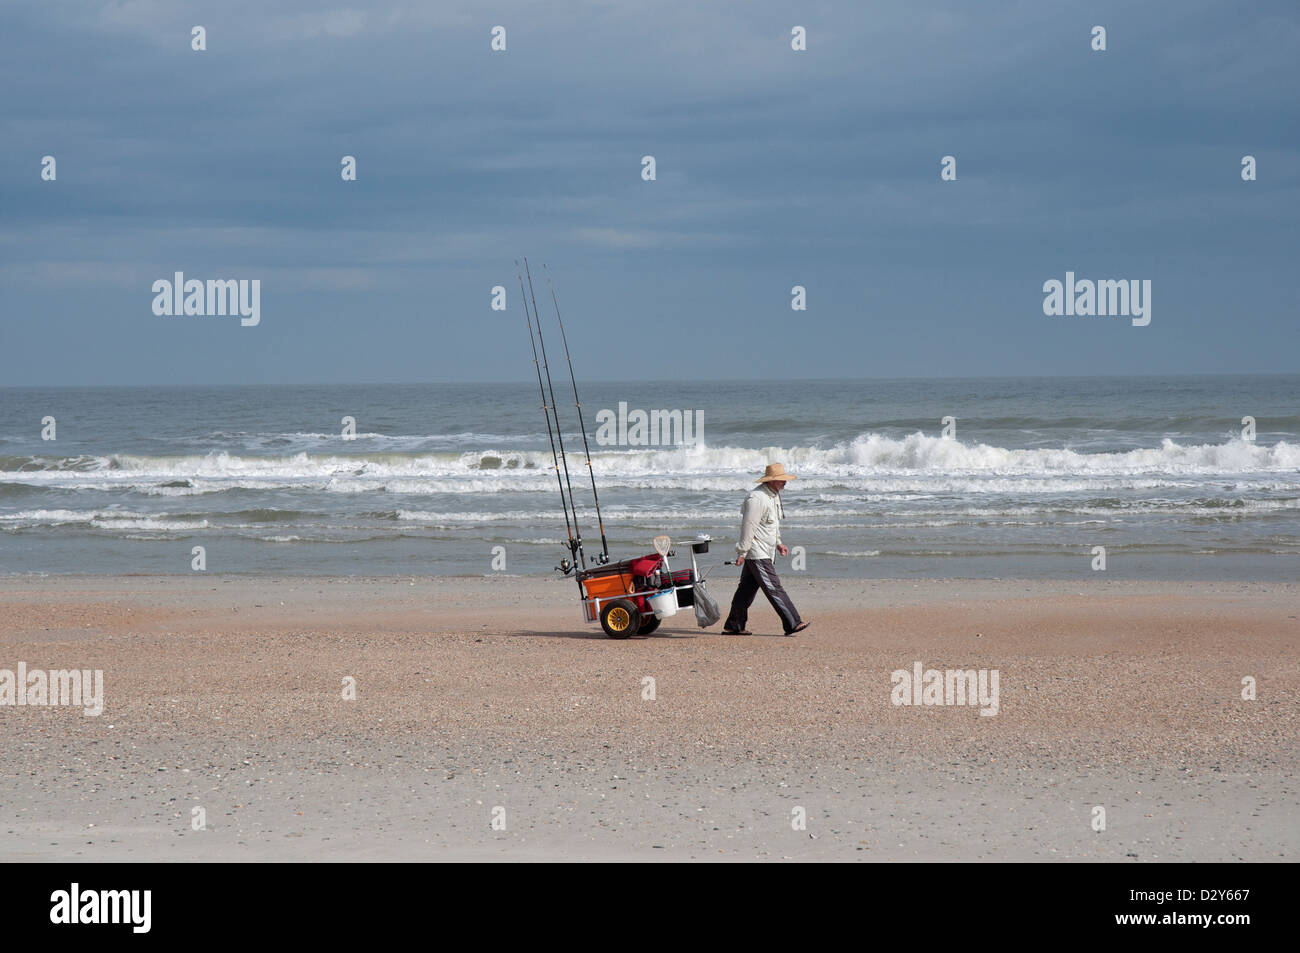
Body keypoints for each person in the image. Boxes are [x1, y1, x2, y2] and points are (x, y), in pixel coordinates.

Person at [722, 463, 810, 636]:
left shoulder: (773, 496)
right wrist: (742, 552)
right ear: (771, 481)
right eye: (781, 479)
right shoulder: (756, 498)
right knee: (773, 587)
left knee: (746, 589)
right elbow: (748, 527)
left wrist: (779, 543)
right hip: (757, 551)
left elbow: (772, 525)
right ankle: (793, 622)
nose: (785, 482)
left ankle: (734, 625)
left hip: (765, 549)